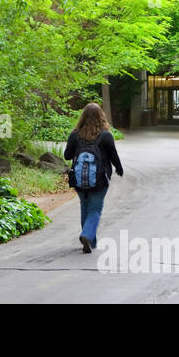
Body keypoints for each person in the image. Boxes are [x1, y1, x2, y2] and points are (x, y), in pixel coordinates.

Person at [63, 103, 123, 253]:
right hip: (100, 179)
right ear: (101, 116)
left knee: (85, 206)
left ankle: (90, 240)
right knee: (95, 208)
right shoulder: (106, 136)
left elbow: (67, 155)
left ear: (82, 117)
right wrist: (119, 169)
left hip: (79, 180)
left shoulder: (75, 135)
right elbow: (113, 156)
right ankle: (88, 236)